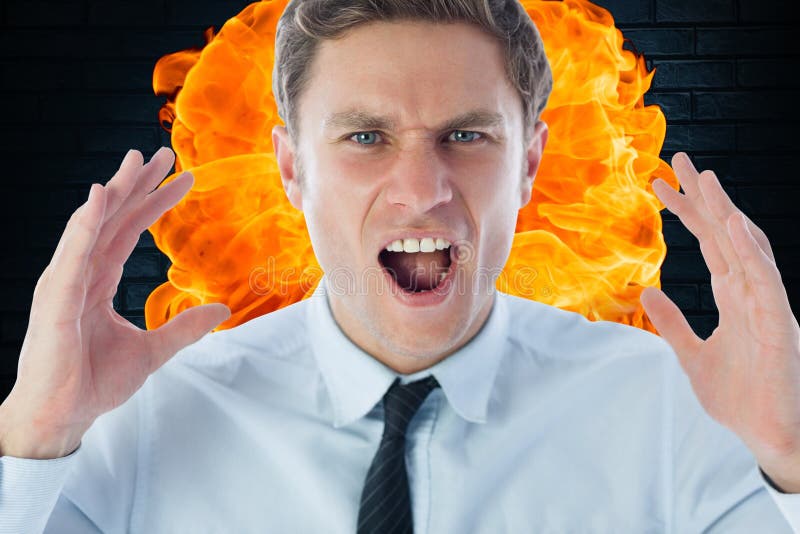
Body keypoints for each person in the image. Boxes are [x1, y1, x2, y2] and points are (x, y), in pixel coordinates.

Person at [1, 0, 799, 532]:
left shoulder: (669, 410)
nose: (421, 191)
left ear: (529, 164)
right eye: (365, 137)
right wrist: (32, 439)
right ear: (291, 169)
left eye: (467, 135)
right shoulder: (144, 421)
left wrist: (790, 460)